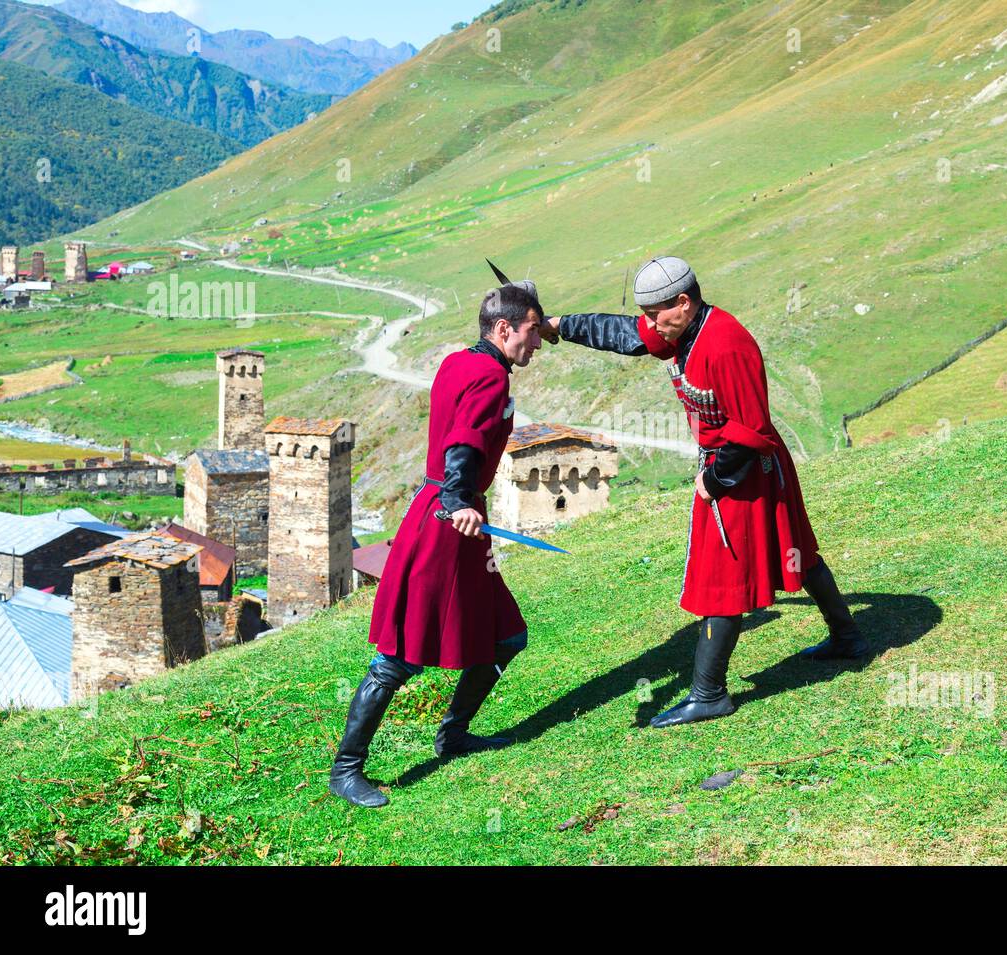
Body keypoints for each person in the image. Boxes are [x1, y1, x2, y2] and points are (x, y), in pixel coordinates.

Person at [542, 256, 862, 728]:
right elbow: (628, 336)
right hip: (735, 462)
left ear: (684, 302)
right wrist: (560, 325)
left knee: (720, 573)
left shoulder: (726, 343)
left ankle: (709, 692)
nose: (650, 326)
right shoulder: (680, 329)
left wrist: (712, 480)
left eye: (656, 314)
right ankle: (847, 636)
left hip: (744, 466)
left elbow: (750, 430)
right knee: (793, 548)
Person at [330, 282, 544, 808]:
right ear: (503, 329)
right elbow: (463, 441)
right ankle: (346, 769)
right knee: (399, 656)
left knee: (506, 635)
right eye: (533, 333)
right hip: (448, 523)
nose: (537, 345)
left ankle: (453, 735)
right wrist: (457, 497)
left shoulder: (459, 361)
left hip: (458, 518)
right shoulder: (490, 376)